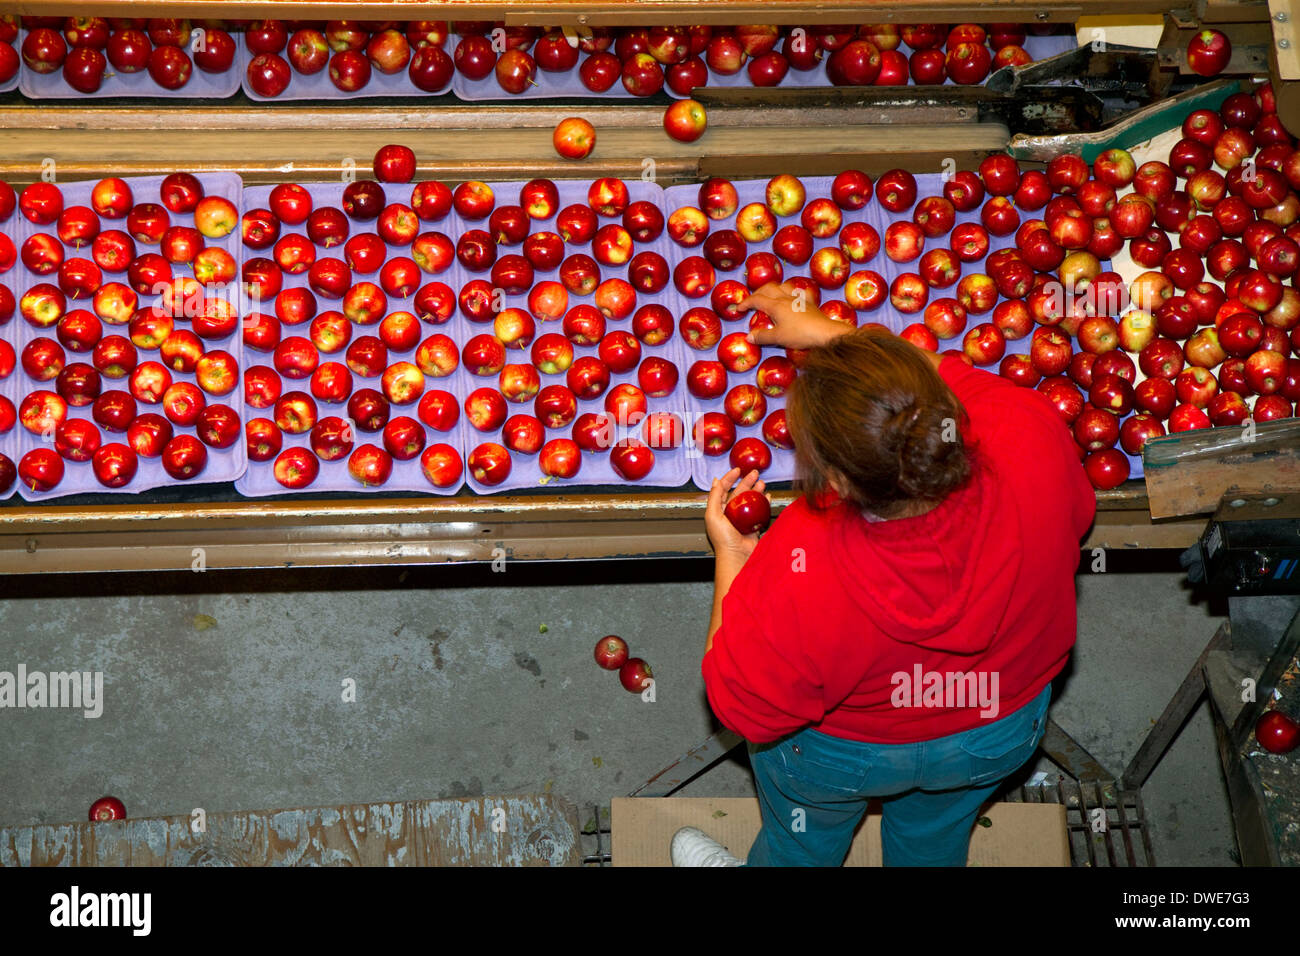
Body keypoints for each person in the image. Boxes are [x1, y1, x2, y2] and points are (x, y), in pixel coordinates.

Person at [671, 282, 1097, 867]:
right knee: (935, 836)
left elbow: (740, 705)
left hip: (842, 756)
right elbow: (941, 390)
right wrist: (836, 338)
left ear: (838, 483)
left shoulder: (802, 557)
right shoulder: (1026, 433)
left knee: (803, 840)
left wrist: (734, 560)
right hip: (994, 727)